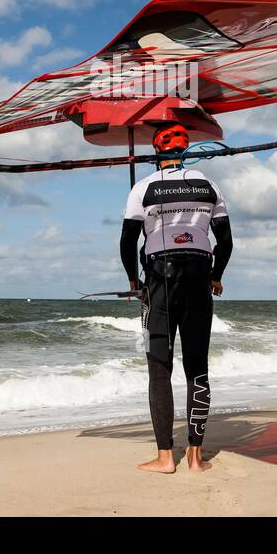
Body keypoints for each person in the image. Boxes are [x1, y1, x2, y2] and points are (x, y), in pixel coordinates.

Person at [120, 121, 233, 473]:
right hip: (199, 278)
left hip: (160, 281)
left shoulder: (143, 188)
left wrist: (134, 282)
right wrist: (216, 276)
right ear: (185, 152)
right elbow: (225, 242)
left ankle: (166, 457)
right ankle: (196, 458)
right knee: (197, 369)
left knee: (159, 370)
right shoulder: (209, 185)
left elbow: (127, 242)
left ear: (157, 154)